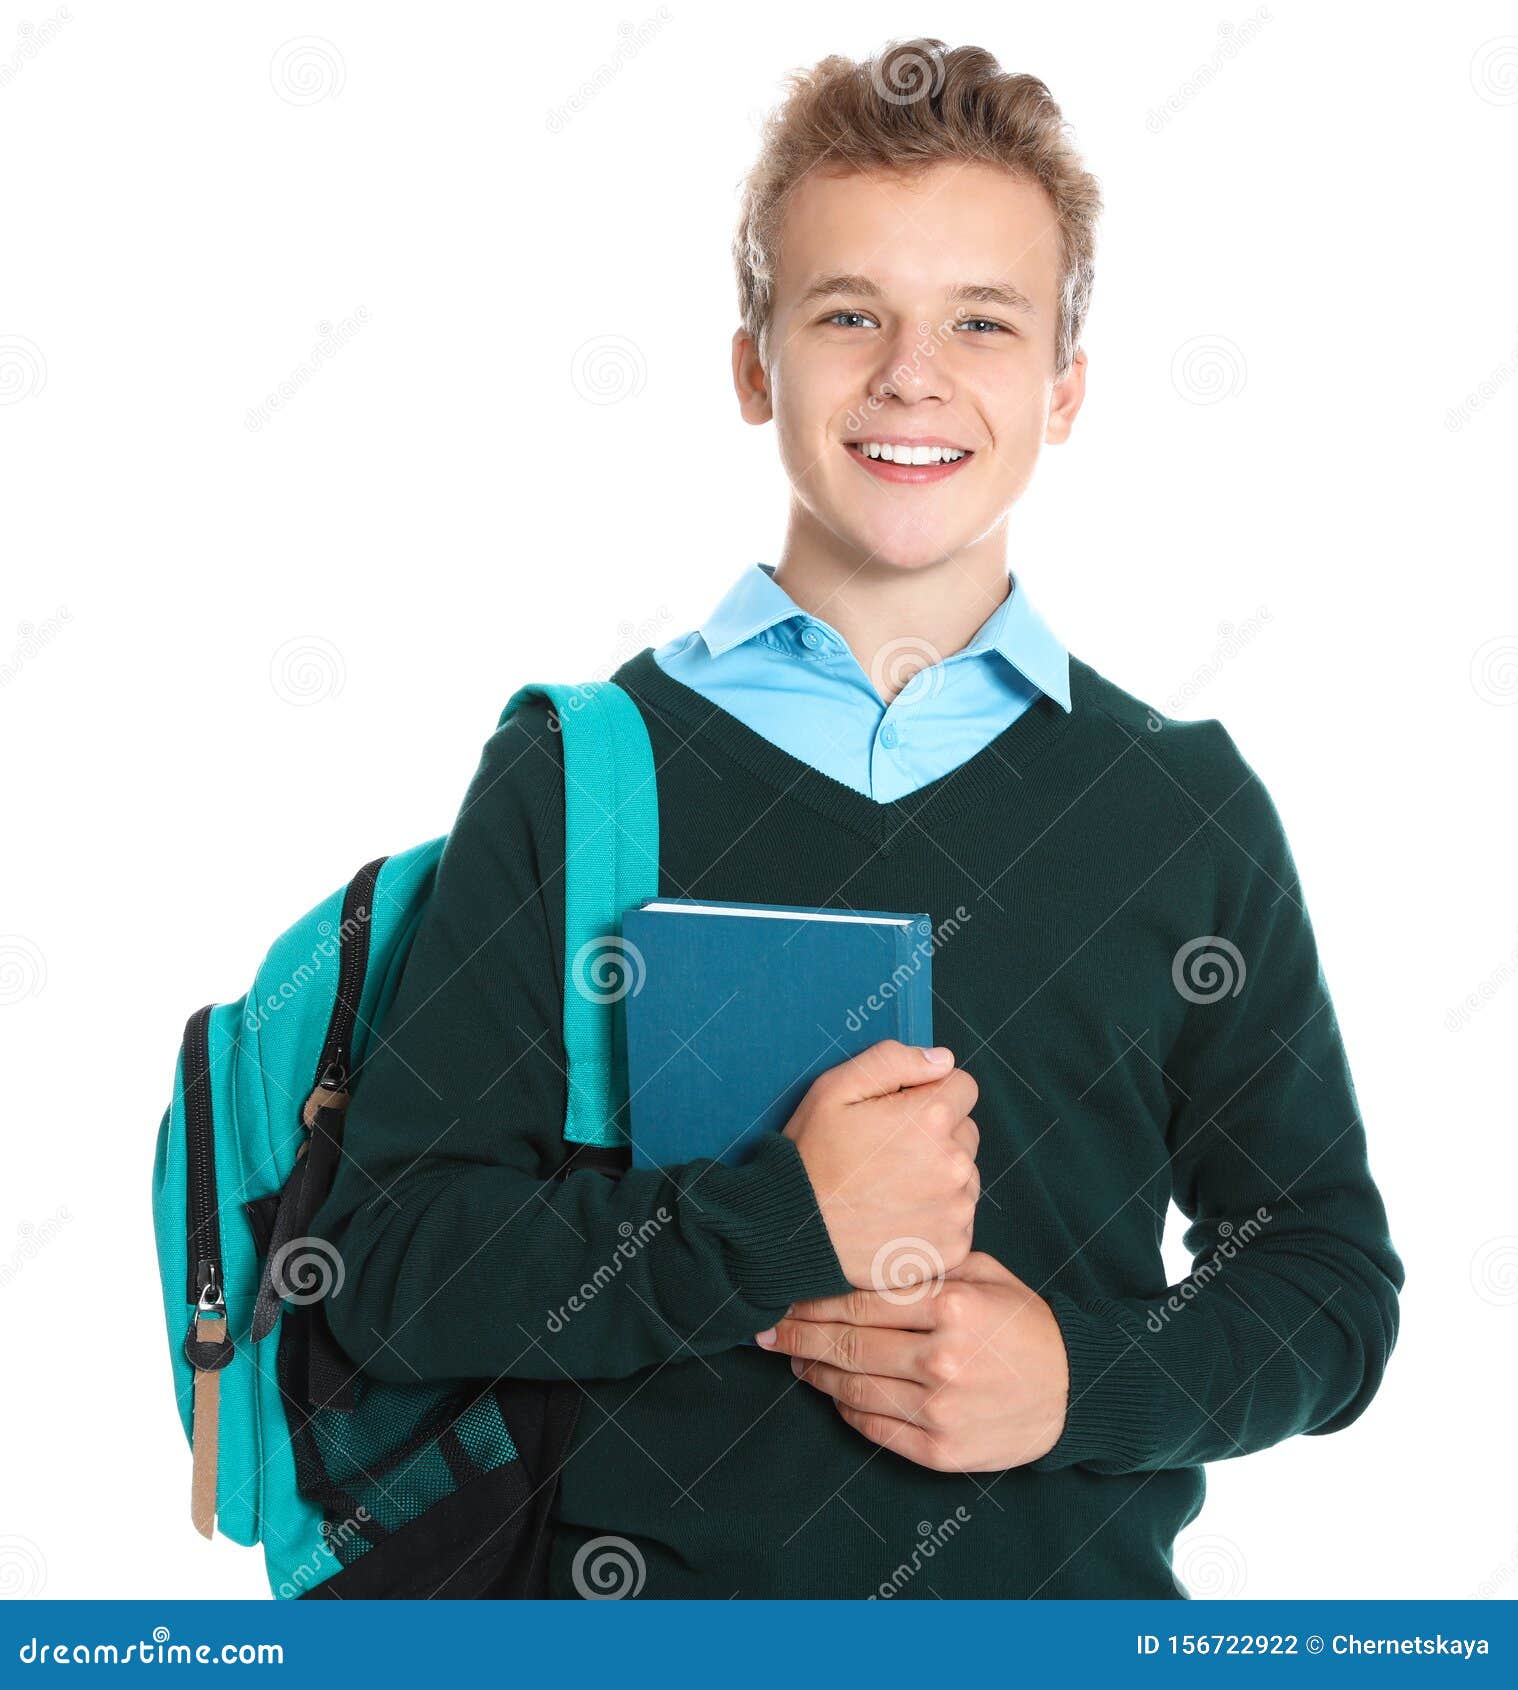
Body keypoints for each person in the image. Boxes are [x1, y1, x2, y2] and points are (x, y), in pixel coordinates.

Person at [312, 37, 1402, 1599]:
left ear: (1062, 387)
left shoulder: (1179, 806)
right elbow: (391, 1275)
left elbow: (1327, 1282)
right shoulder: (579, 772)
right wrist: (775, 1221)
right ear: (755, 363)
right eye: (847, 315)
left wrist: (1085, 1384)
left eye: (981, 320)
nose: (911, 373)